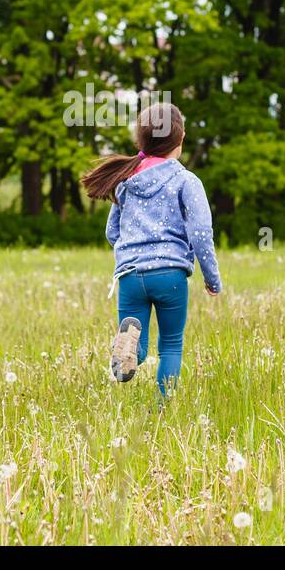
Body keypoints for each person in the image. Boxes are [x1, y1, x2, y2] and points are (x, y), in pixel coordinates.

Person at [81, 102, 222, 396]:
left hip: (131, 275)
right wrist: (212, 278)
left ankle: (126, 355)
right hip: (170, 275)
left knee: (137, 343)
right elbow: (200, 234)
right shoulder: (186, 180)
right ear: (180, 139)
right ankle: (161, 407)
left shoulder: (126, 180)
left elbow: (112, 232)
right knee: (171, 344)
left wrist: (132, 253)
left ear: (141, 141)